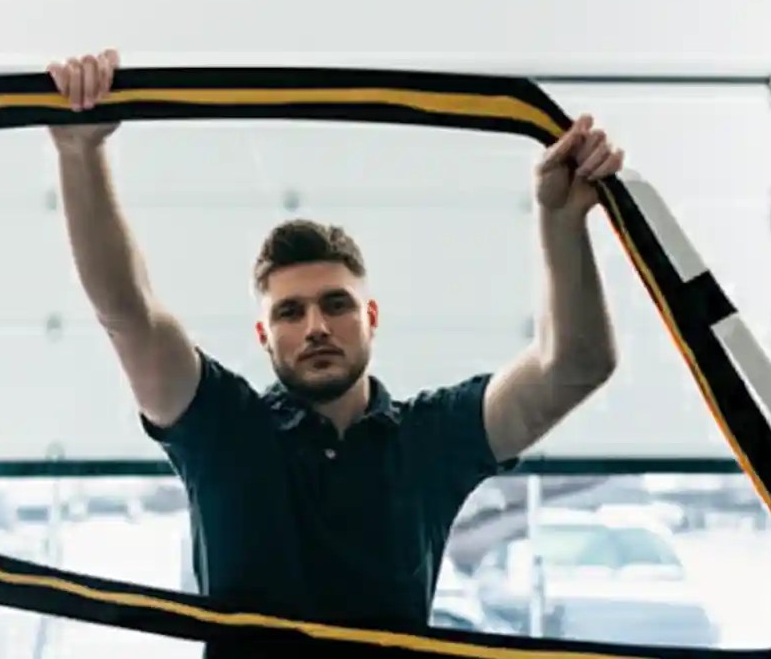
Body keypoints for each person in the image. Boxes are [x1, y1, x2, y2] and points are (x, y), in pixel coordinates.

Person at [46, 49, 623, 652]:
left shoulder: (431, 438)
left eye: (337, 304)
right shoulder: (223, 429)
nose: (316, 326)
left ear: (370, 318)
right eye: (290, 312)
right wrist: (79, 152)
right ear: (263, 336)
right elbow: (126, 312)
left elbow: (574, 365)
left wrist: (561, 221)